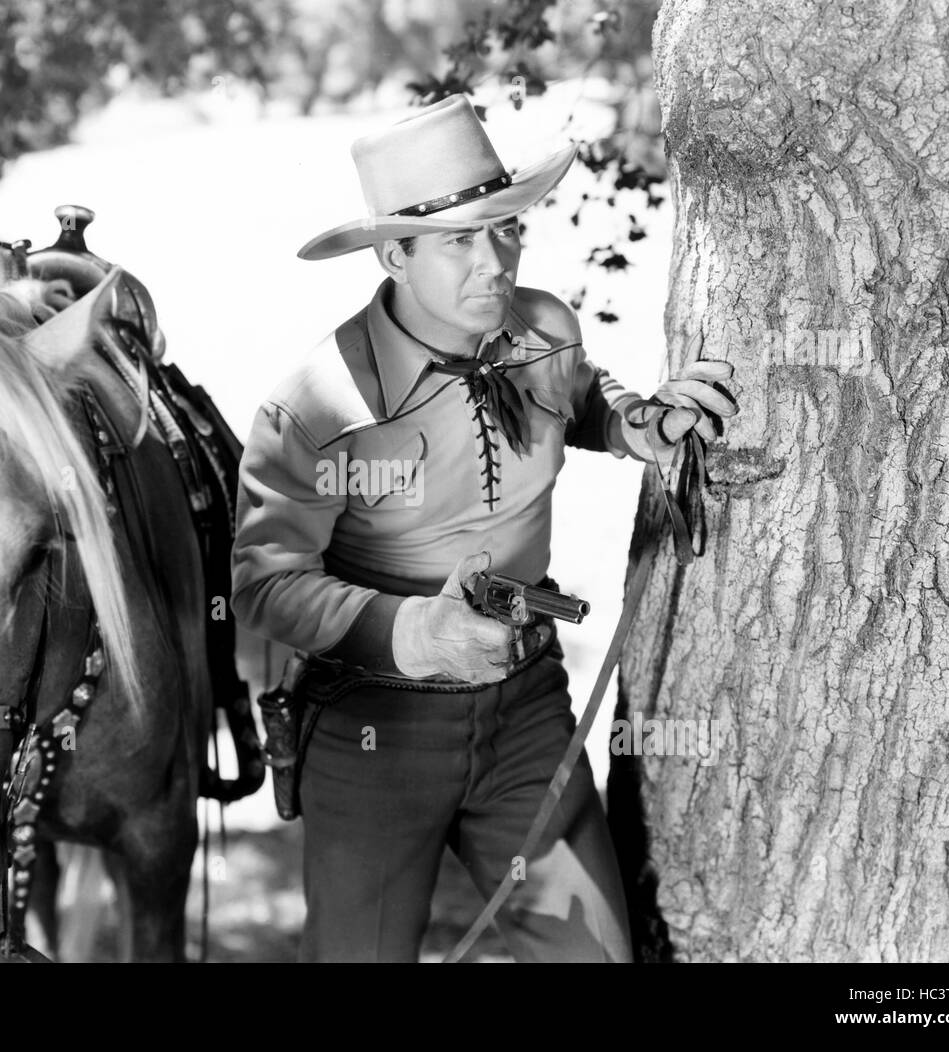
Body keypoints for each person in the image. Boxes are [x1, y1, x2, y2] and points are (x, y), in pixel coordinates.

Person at [230, 95, 736, 962]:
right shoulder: (317, 409)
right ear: (395, 255)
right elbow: (264, 584)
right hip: (373, 738)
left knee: (594, 956)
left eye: (504, 228)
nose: (493, 260)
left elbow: (577, 395)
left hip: (527, 715)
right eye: (459, 240)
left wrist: (634, 424)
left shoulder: (543, 329)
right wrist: (417, 631)